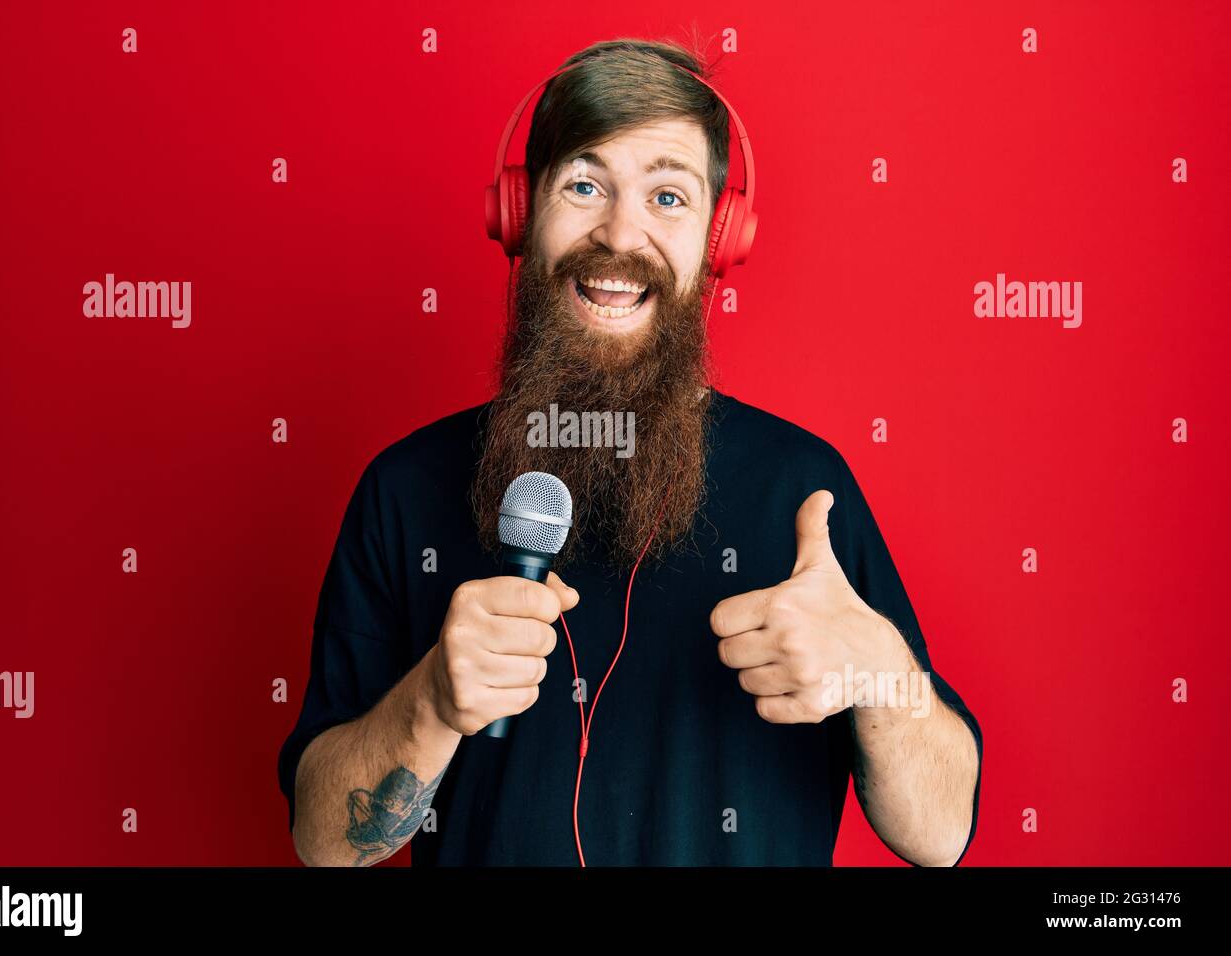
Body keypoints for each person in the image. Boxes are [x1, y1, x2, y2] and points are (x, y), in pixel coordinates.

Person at [278, 37, 982, 867]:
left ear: (721, 241)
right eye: (583, 185)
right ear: (519, 215)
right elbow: (323, 844)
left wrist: (877, 674)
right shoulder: (403, 490)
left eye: (668, 197)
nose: (621, 232)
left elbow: (941, 838)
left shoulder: (806, 493)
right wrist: (430, 703)